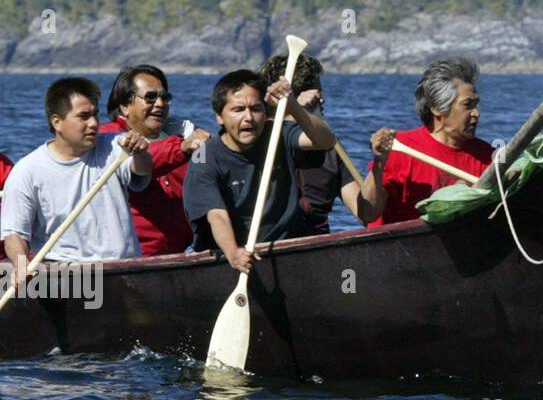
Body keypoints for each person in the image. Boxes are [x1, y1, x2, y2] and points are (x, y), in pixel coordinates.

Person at [182, 69, 336, 273]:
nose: (248, 118)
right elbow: (216, 215)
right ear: (219, 116)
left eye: (256, 109)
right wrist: (233, 252)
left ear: (266, 111)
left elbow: (325, 141)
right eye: (238, 110)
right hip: (227, 256)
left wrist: (293, 106)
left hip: (284, 249)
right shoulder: (204, 157)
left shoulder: (278, 134)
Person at [1, 77, 152, 285]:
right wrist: (20, 265)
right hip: (68, 278)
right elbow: (14, 233)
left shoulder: (116, 147)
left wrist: (140, 152)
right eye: (83, 116)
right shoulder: (26, 172)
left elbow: (141, 170)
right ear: (57, 122)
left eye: (95, 115)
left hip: (124, 269)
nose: (94, 123)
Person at [257, 53, 388, 230]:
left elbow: (366, 214)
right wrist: (297, 109)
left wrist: (379, 162)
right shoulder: (260, 138)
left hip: (315, 243)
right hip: (266, 242)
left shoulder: (331, 146)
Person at [100, 64, 211, 256]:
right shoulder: (107, 140)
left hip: (186, 251)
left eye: (165, 98)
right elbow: (146, 162)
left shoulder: (183, 134)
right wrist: (183, 148)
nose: (160, 104)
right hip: (132, 257)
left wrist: (204, 152)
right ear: (124, 106)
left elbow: (203, 174)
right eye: (150, 98)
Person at [367, 57, 493, 226]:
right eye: (467, 105)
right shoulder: (399, 149)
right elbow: (367, 214)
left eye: (476, 104)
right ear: (437, 108)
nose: (476, 113)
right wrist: (379, 163)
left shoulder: (487, 157)